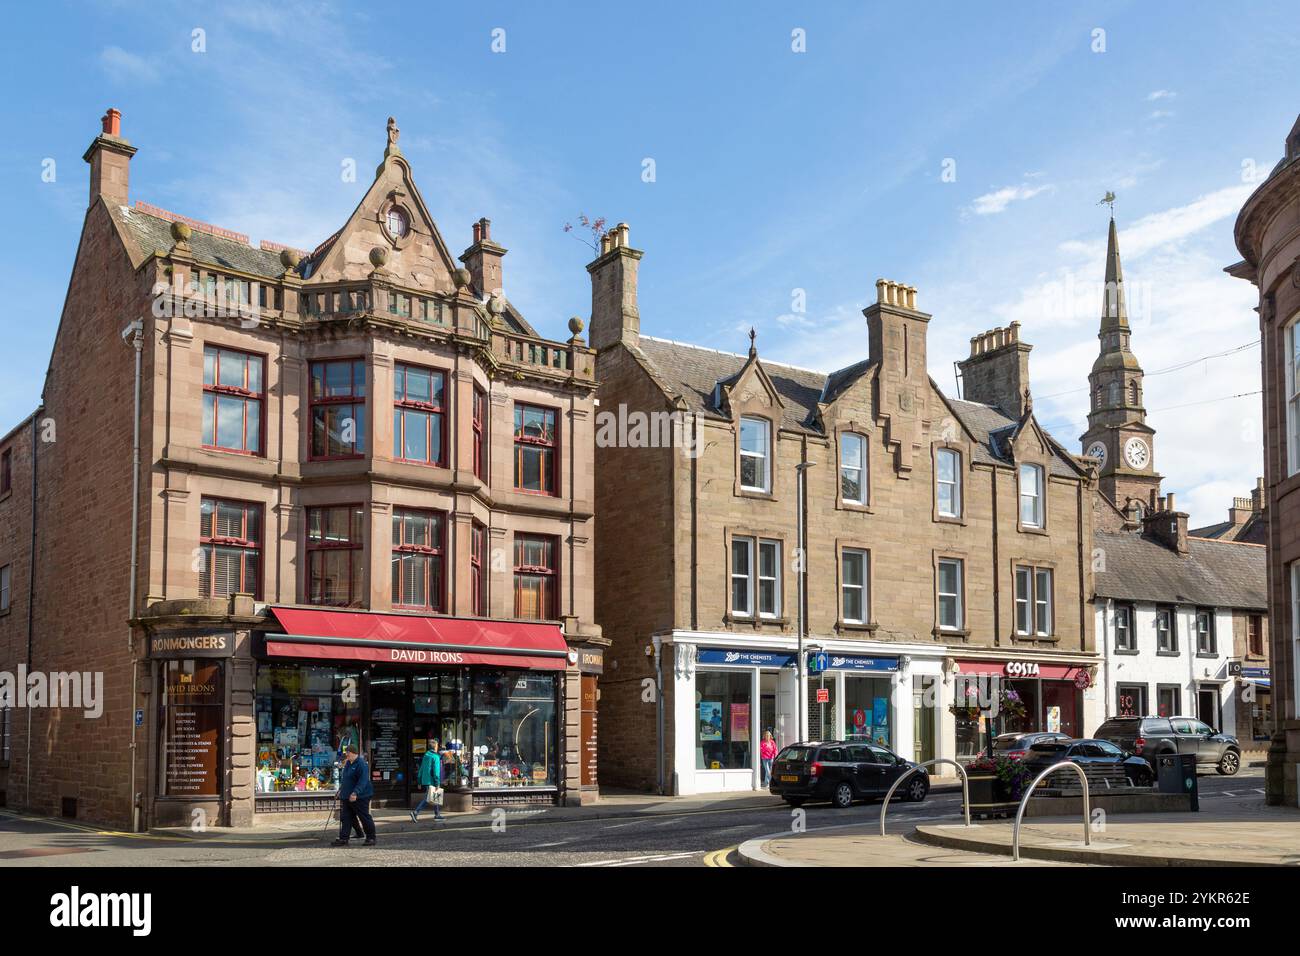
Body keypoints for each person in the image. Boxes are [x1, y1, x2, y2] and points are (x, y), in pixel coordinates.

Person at [332, 744, 376, 846]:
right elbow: (346, 779)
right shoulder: (348, 764)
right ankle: (344, 839)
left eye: (348, 753)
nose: (346, 755)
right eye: (346, 753)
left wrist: (356, 792)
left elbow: (363, 781)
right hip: (347, 795)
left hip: (361, 796)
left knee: (364, 817)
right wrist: (340, 790)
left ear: (353, 753)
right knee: (346, 817)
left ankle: (371, 837)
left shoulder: (361, 764)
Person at [410, 737, 446, 824]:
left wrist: (419, 781)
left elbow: (421, 769)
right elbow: (436, 772)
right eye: (437, 745)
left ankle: (437, 814)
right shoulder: (435, 757)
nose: (437, 747)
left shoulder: (426, 755)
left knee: (435, 797)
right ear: (435, 747)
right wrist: (437, 783)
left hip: (425, 780)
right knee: (428, 798)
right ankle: (415, 812)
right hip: (432, 781)